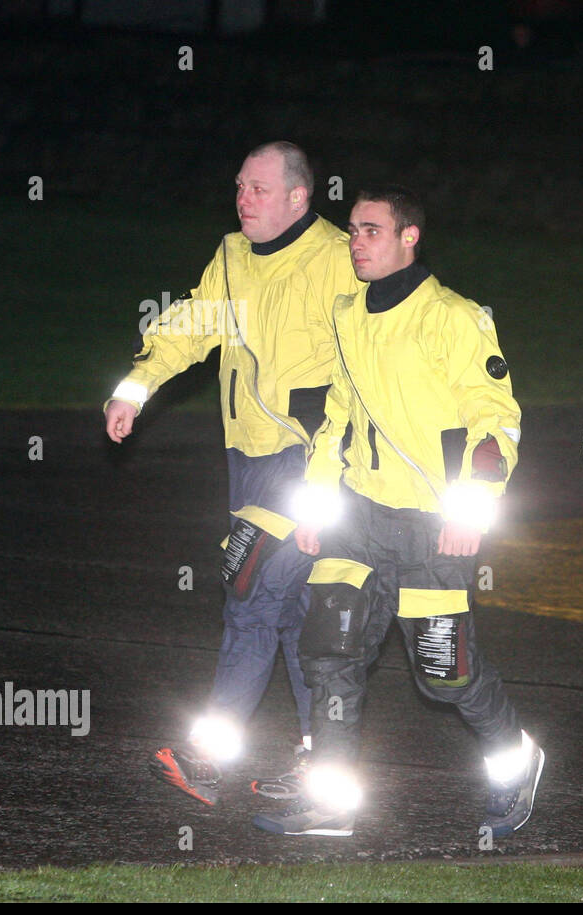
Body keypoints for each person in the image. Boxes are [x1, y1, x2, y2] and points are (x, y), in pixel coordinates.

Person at [252, 185, 543, 838]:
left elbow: (496, 425)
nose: (357, 243)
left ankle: (515, 758)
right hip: (356, 519)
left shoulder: (455, 318)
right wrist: (319, 499)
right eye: (352, 231)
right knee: (328, 652)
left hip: (430, 529)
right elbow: (338, 419)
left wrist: (472, 509)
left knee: (445, 675)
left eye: (372, 231)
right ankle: (331, 803)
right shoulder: (346, 312)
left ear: (410, 237)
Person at [104, 141, 359, 805]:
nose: (243, 199)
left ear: (299, 198)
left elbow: (379, 354)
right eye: (240, 186)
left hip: (309, 464)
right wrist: (136, 385)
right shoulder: (232, 255)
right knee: (286, 610)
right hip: (247, 460)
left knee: (251, 595)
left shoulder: (340, 260)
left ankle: (212, 758)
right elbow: (192, 324)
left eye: (259, 189)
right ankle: (321, 770)